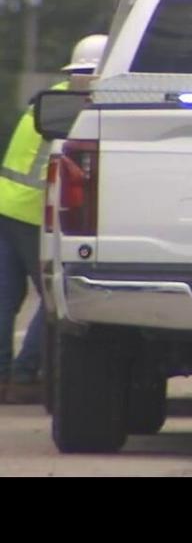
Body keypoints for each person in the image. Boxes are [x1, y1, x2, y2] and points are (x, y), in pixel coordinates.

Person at [0, 34, 106, 404]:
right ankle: (27, 375)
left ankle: (3, 377)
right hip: (32, 213)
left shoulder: (51, 95)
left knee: (5, 297)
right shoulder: (81, 106)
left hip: (6, 206)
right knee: (55, 298)